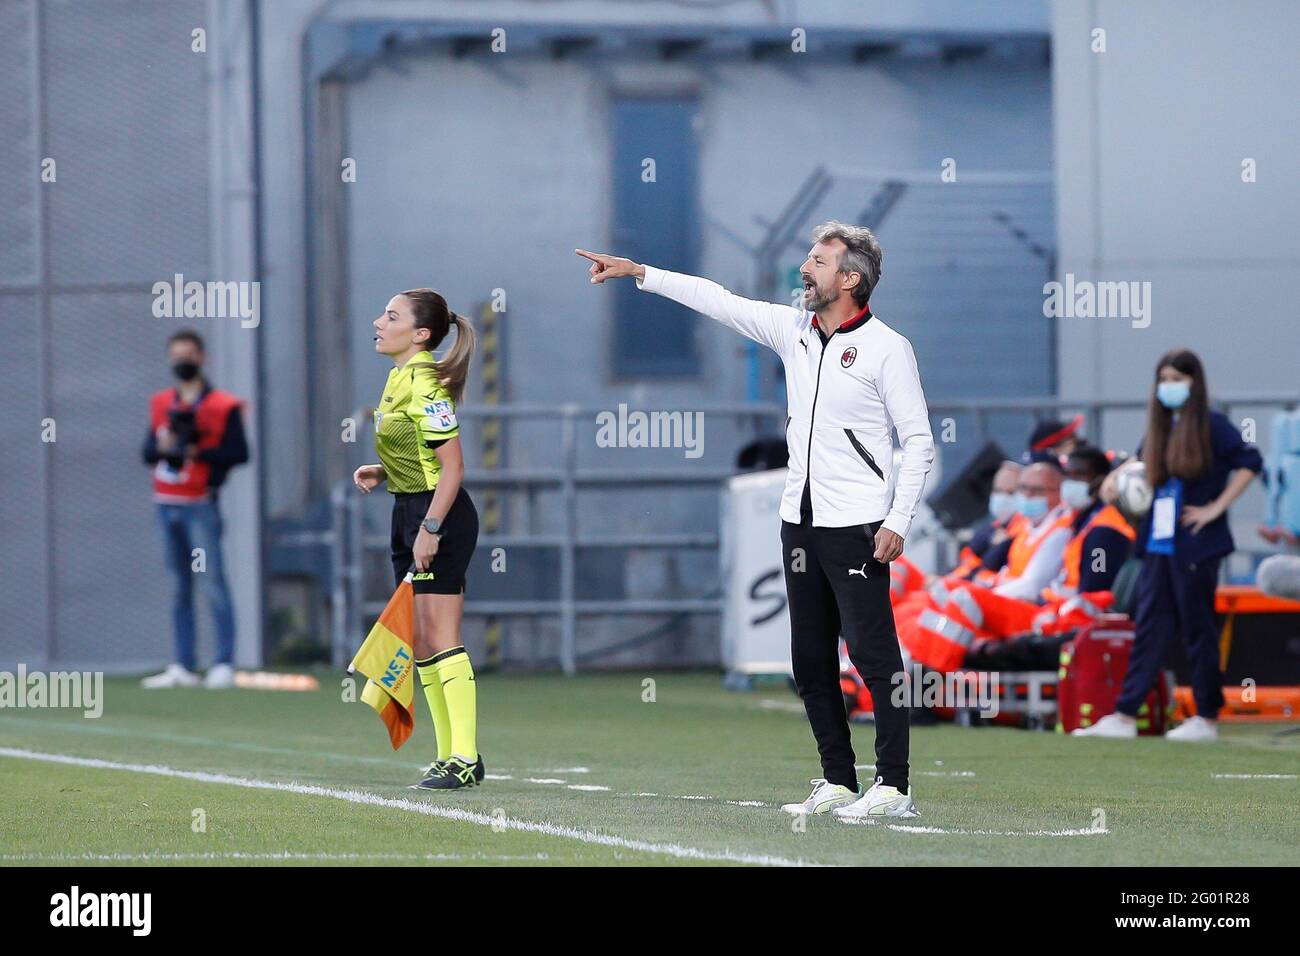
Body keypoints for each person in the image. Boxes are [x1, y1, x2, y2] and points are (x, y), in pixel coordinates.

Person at [577, 220, 935, 820]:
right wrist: (641, 273)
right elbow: (720, 300)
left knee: (874, 656)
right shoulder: (793, 329)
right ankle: (838, 780)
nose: (805, 269)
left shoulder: (887, 347)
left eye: (818, 262)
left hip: (858, 526)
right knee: (809, 658)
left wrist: (898, 519)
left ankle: (894, 786)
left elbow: (918, 441)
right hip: (799, 520)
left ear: (850, 279)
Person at [1074, 348, 1262, 742]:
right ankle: (1125, 714)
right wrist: (1113, 480)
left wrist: (1215, 508)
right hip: (1156, 546)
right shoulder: (1159, 429)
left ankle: (1206, 717)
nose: (1168, 387)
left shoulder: (1212, 425)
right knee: (1149, 629)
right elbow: (1138, 465)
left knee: (1198, 630)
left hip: (1195, 545)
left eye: (1177, 379)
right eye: (1163, 379)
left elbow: (1250, 461)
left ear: (1193, 382)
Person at [353, 289, 484, 788]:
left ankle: (465, 758)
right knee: (423, 640)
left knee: (442, 635)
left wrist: (430, 529)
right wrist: (385, 471)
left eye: (391, 316)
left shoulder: (425, 382)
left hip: (438, 515)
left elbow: (453, 468)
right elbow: (419, 452)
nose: (378, 322)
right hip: (408, 509)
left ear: (420, 334)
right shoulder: (398, 376)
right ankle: (449, 755)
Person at [140, 330, 250, 689]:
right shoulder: (160, 404)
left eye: (188, 354)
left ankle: (223, 662)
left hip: (201, 504)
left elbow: (239, 453)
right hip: (166, 504)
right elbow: (147, 453)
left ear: (202, 357)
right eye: (177, 355)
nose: (182, 361)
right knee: (177, 586)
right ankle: (183, 664)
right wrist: (168, 446)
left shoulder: (222, 405)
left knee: (213, 582)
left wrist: (196, 451)